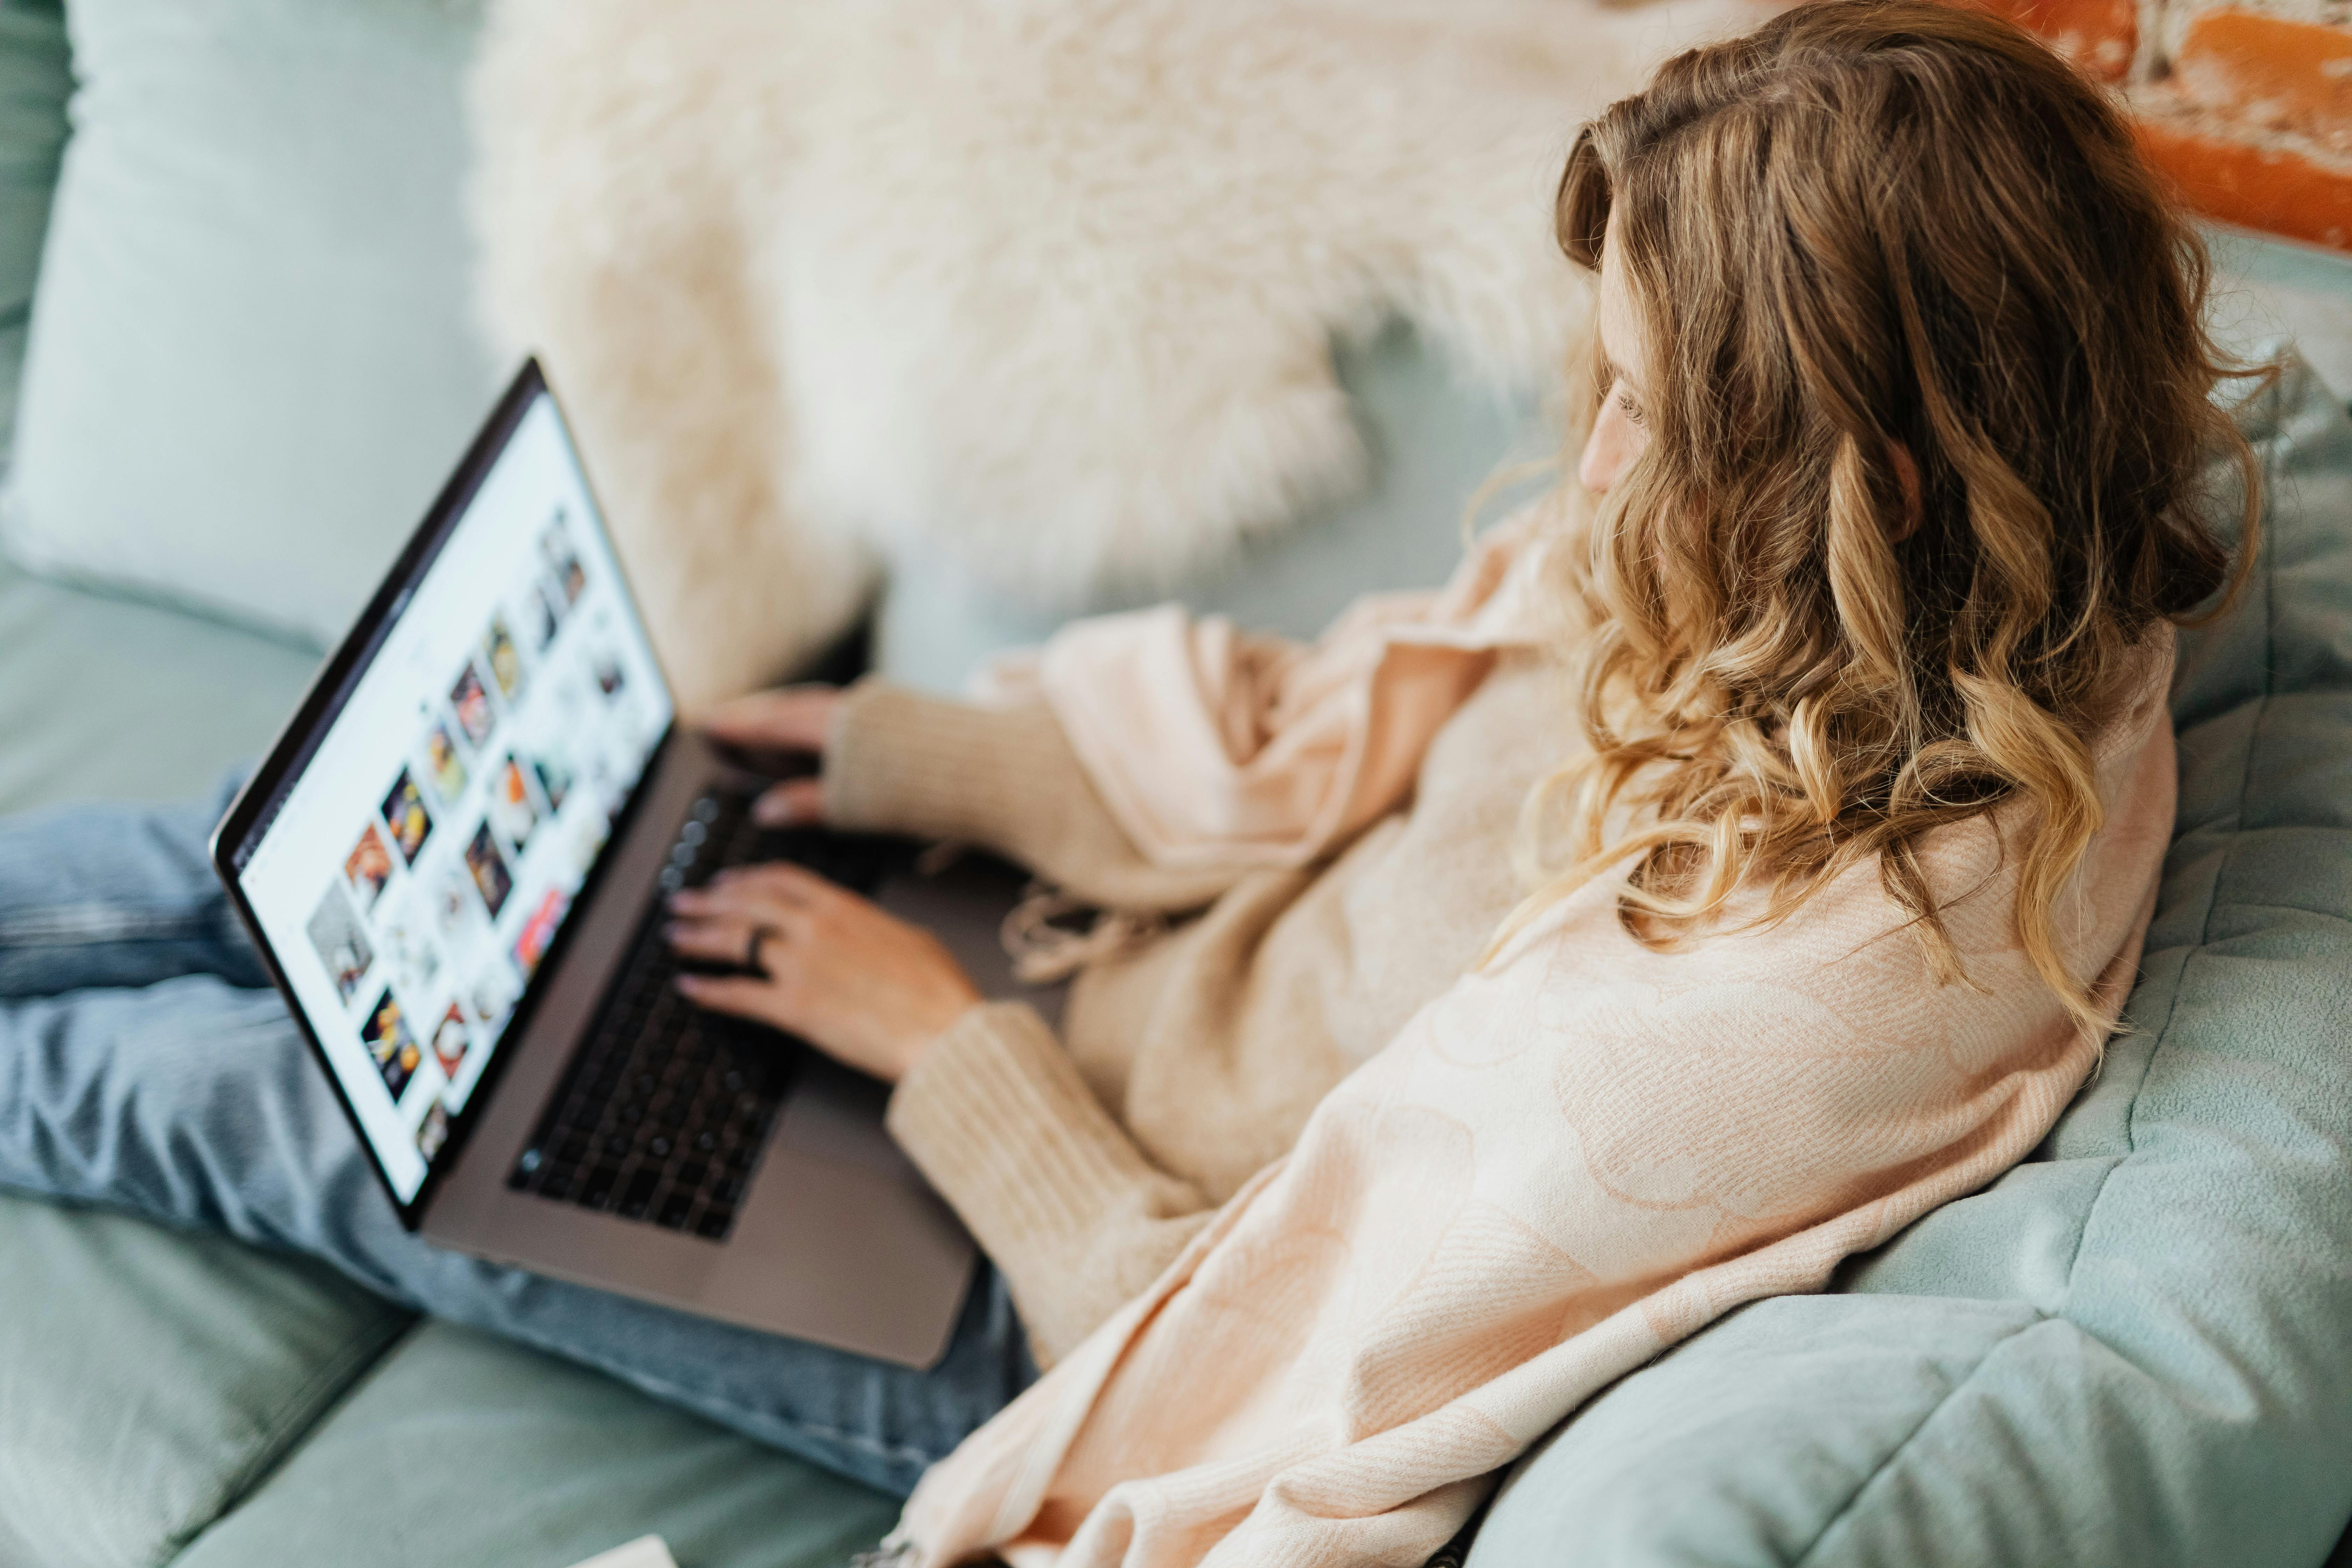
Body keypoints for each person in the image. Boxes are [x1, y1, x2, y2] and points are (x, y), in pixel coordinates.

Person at [0, 0, 2260, 1531]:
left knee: (256, 1101)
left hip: (1040, 1260)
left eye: (1655, 412)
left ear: (1859, 472)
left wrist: (940, 1047)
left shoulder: (1778, 1011)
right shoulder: (1907, 589)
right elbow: (1332, 753)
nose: (1593, 470)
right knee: (287, 868)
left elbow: (1246, 1365)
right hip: (1089, 971)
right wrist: (908, 757)